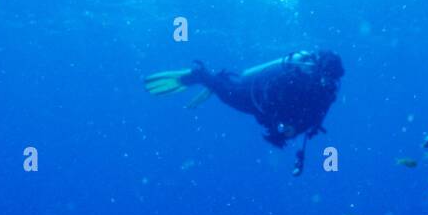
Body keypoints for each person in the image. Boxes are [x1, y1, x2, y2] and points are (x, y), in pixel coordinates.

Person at [144, 50, 344, 175]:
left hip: (269, 110)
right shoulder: (297, 78)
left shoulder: (326, 94)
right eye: (326, 79)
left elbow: (310, 123)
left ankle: (217, 80)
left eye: (331, 82)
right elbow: (271, 92)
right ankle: (200, 75)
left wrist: (292, 137)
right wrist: (276, 122)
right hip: (254, 96)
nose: (327, 85)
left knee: (229, 90)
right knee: (228, 93)